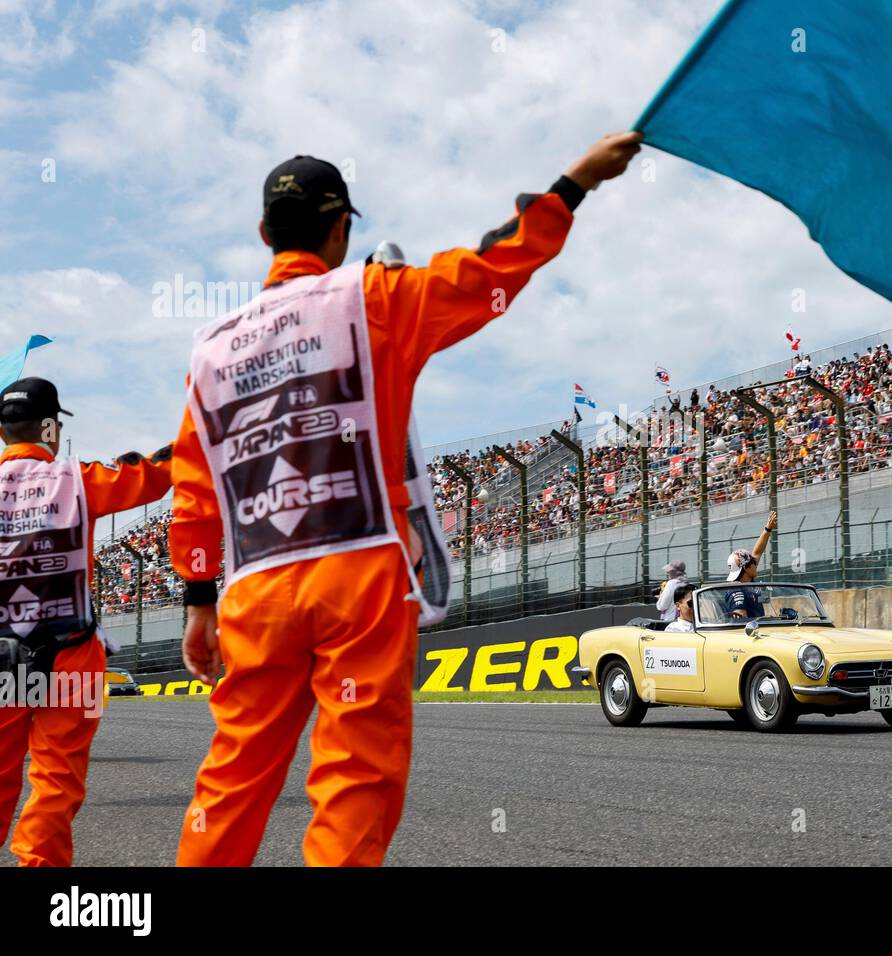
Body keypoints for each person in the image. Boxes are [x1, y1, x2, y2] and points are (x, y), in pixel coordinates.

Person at [170, 132, 642, 866]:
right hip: (358, 570)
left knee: (231, 781)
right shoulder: (375, 297)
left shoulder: (211, 348)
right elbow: (493, 267)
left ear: (265, 235)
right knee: (354, 777)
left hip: (255, 587)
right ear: (341, 230)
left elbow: (193, 487)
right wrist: (575, 182)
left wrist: (199, 597)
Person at [0, 377, 172, 866]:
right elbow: (155, 472)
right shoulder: (80, 479)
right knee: (56, 781)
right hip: (70, 656)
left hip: (0, 659)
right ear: (51, 428)